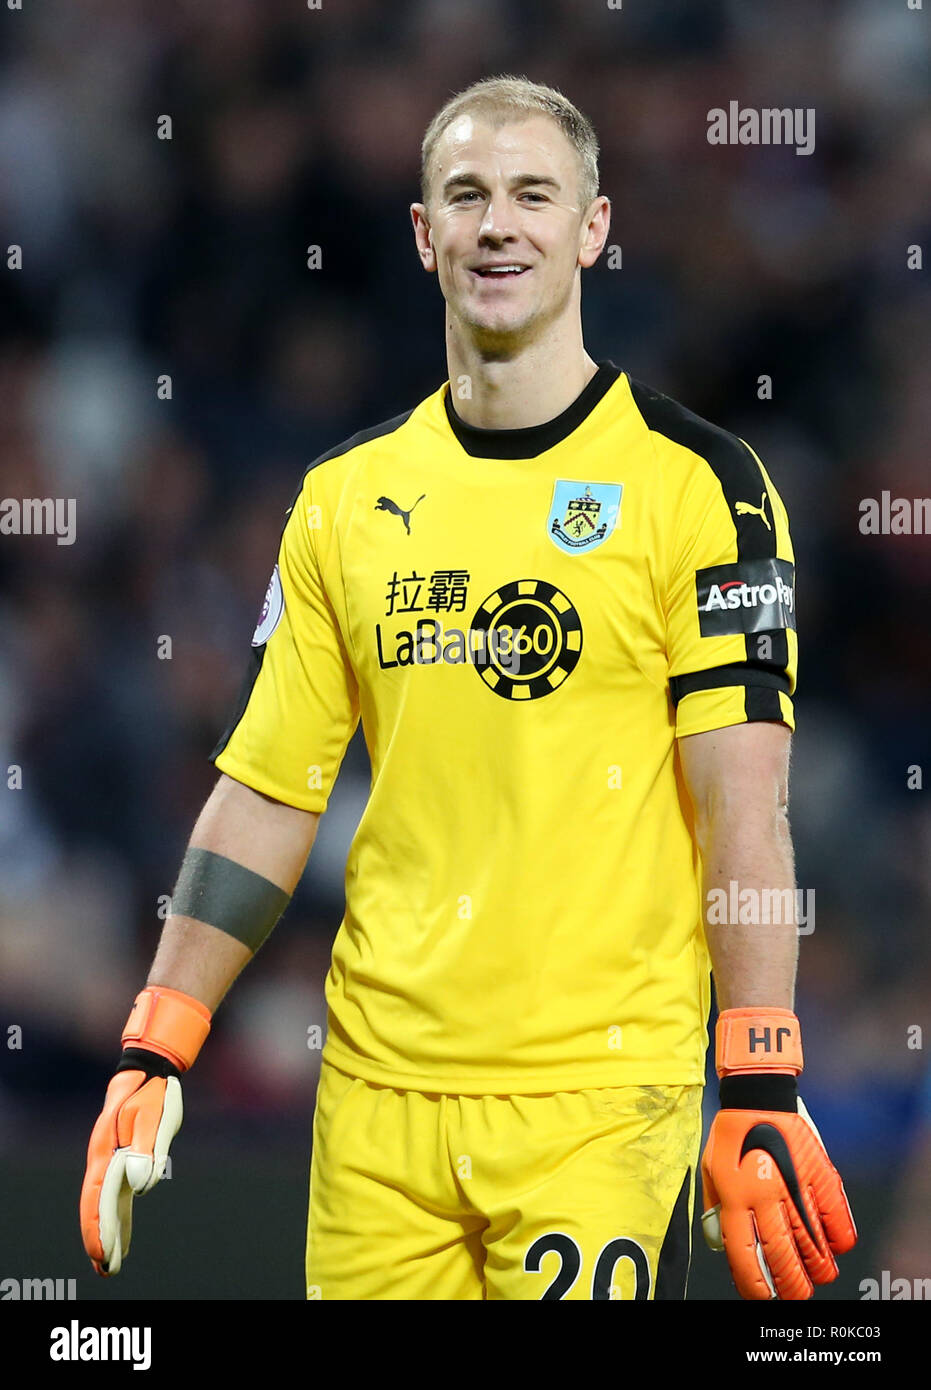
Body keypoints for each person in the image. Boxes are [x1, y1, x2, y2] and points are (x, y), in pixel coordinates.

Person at [80, 75, 856, 1301]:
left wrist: (760, 1071)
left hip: (597, 1099)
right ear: (422, 231)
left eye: (535, 195)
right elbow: (268, 793)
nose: (500, 225)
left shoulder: (700, 486)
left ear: (592, 229)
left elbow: (744, 809)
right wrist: (157, 1039)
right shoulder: (345, 497)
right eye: (468, 195)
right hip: (375, 1108)